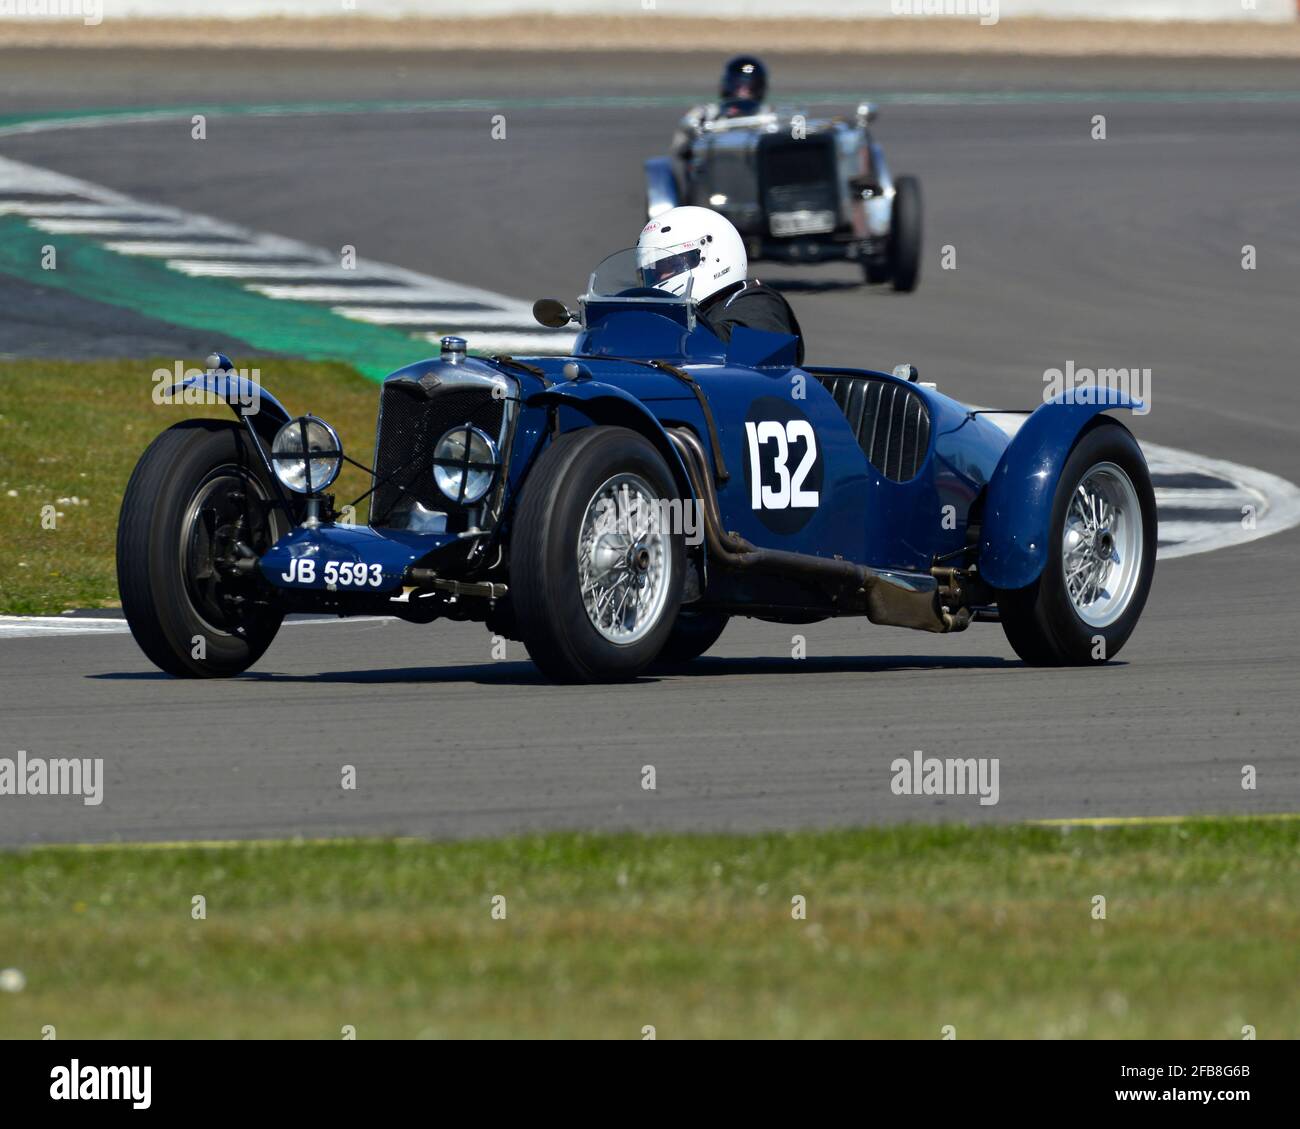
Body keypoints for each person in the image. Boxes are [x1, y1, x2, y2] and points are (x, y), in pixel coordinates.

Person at [637, 205, 804, 364]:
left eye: (671, 266)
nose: (661, 277)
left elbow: (752, 353)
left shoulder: (759, 303)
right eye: (653, 273)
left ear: (712, 256)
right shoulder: (684, 315)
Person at [670, 54, 771, 166]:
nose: (743, 91)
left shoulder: (768, 115)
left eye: (750, 87)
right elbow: (679, 148)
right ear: (728, 84)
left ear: (760, 87)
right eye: (738, 85)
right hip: (713, 171)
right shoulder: (705, 114)